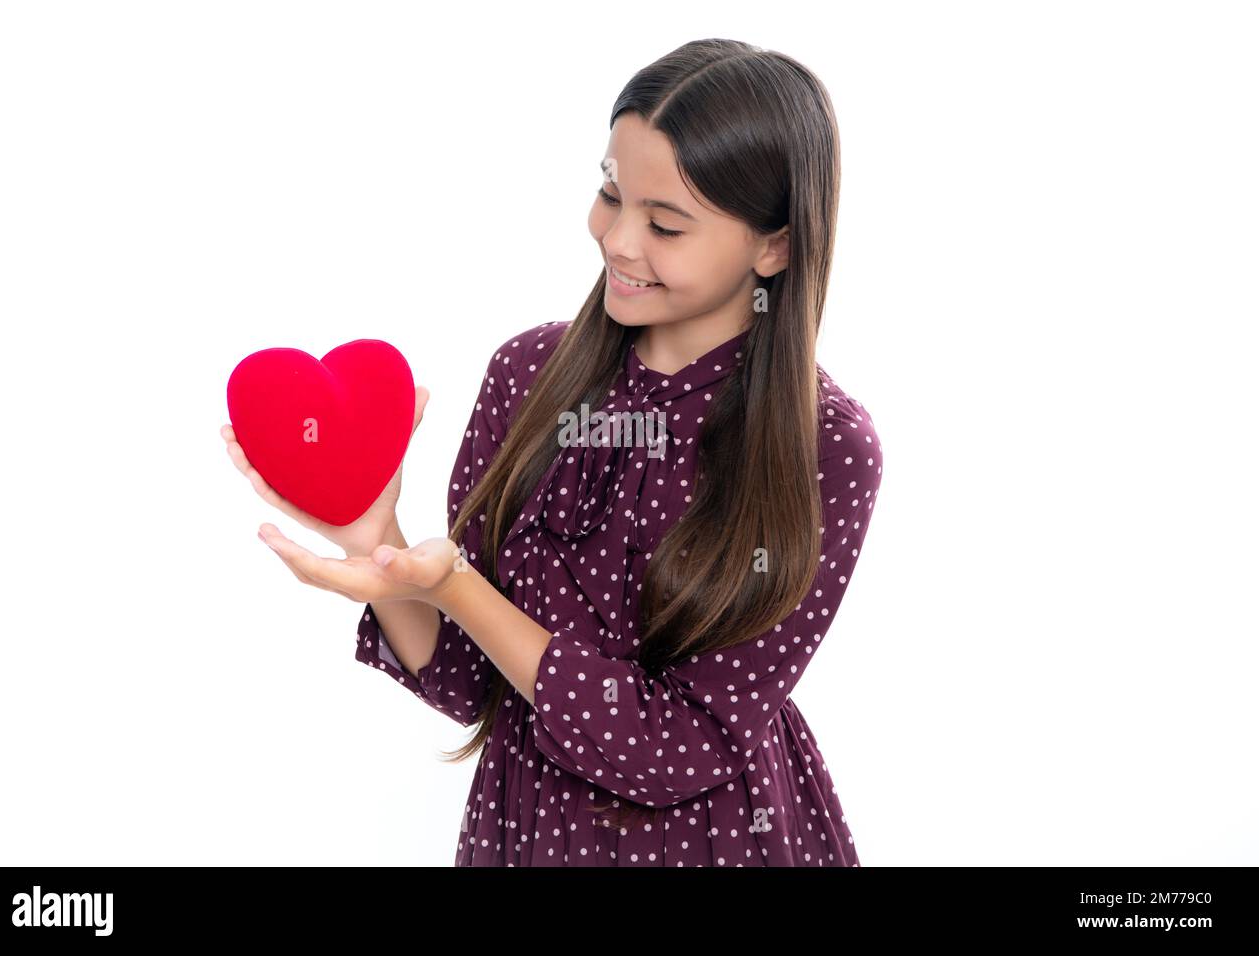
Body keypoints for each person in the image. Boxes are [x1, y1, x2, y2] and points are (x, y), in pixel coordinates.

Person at [221, 38, 883, 866]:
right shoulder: (528, 374)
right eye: (611, 194)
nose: (617, 240)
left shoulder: (825, 447)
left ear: (774, 247)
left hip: (716, 843)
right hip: (524, 835)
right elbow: (472, 681)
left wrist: (456, 585)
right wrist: (377, 540)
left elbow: (677, 745)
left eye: (665, 223)